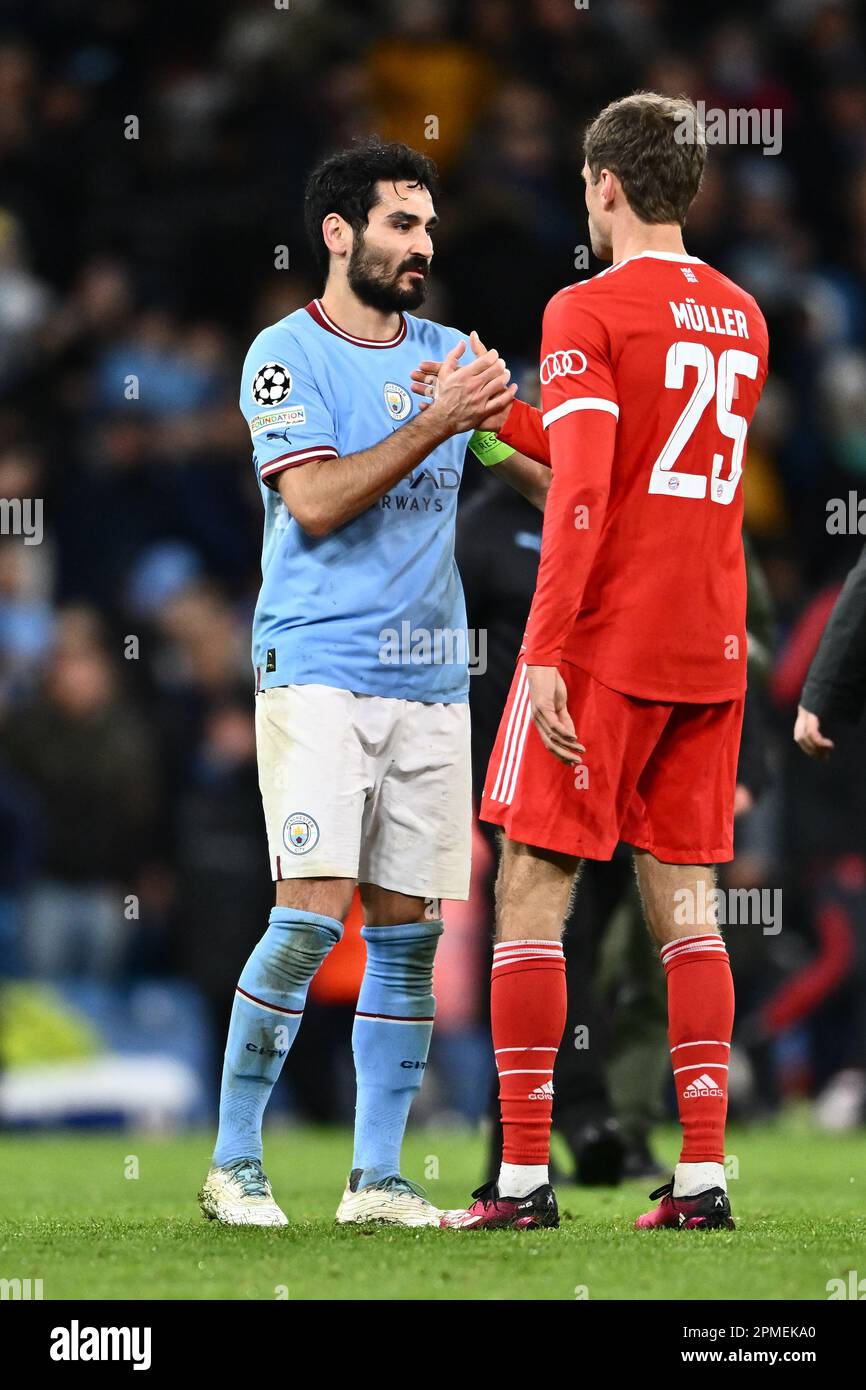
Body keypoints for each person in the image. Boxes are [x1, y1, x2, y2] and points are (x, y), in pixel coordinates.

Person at [429, 93, 769, 1231]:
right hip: (708, 646)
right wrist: (496, 417)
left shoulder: (584, 307)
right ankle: (705, 1176)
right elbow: (625, 466)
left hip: (604, 643)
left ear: (603, 187)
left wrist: (541, 655)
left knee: (532, 889)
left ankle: (521, 1180)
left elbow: (582, 493)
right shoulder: (743, 316)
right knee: (688, 908)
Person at [198, 137, 547, 1228]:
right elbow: (314, 503)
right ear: (337, 233)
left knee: (408, 932)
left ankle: (377, 1179)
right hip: (316, 666)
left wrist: (500, 420)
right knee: (308, 915)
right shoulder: (282, 356)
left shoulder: (450, 353)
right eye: (400, 224)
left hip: (432, 681)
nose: (421, 245)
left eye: (429, 226)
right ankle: (232, 1164)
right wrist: (436, 418)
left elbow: (543, 483)